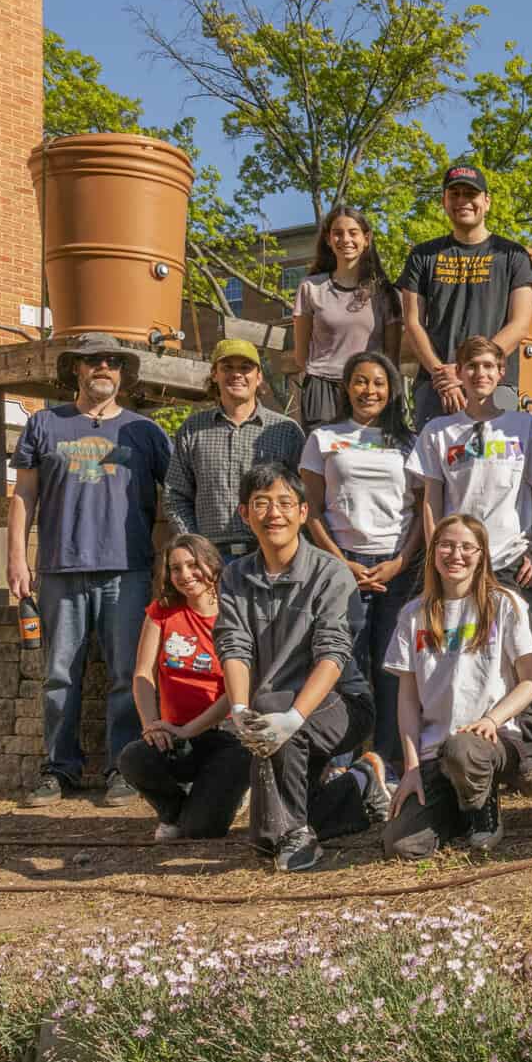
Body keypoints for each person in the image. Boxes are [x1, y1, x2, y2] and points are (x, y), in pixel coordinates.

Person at [9, 333, 171, 808]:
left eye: (112, 361)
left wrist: (171, 566)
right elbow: (23, 496)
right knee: (60, 674)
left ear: (122, 373)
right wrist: (17, 558)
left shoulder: (146, 432)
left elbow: (173, 497)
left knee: (127, 673)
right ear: (76, 370)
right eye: (93, 361)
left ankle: (124, 766)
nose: (104, 367)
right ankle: (58, 768)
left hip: (129, 569)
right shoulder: (44, 423)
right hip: (60, 567)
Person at [217, 462, 389, 872]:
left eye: (283, 503)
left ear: (302, 512)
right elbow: (234, 644)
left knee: (275, 710)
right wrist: (239, 710)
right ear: (245, 514)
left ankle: (297, 836)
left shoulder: (330, 574)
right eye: (261, 504)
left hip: (342, 704)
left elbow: (334, 653)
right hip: (270, 707)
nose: (273, 513)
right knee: (262, 840)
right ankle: (361, 786)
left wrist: (293, 716)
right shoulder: (236, 576)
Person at [410, 335, 532, 792]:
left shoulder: (524, 428)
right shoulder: (439, 432)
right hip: (458, 561)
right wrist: (437, 554)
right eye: (471, 366)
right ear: (459, 371)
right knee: (464, 653)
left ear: (501, 373)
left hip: (511, 557)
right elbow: (431, 497)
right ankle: (462, 750)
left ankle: (528, 761)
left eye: (489, 366)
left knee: (521, 661)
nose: (480, 375)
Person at [381, 515, 532, 857]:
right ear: (433, 552)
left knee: (463, 750)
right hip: (434, 752)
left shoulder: (504, 604)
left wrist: (493, 720)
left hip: (491, 740)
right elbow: (407, 700)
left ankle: (483, 812)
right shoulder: (413, 615)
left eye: (467, 547)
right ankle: (458, 810)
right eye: (446, 545)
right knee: (402, 846)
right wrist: (411, 767)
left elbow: (531, 681)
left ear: (482, 555)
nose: (456, 554)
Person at [298, 350, 422, 772]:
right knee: (343, 666)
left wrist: (402, 560)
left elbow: (423, 508)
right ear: (346, 388)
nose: (370, 390)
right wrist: (339, 563)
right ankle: (341, 758)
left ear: (392, 391)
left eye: (379, 383)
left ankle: (384, 762)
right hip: (341, 565)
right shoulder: (323, 438)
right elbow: (310, 509)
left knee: (391, 668)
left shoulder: (409, 441)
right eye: (361, 381)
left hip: (395, 566)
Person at [115, 533, 250, 839]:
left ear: (212, 564)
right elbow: (143, 674)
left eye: (193, 564)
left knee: (202, 830)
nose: (185, 575)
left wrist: (191, 730)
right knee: (133, 758)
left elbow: (236, 691)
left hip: (227, 737)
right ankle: (173, 811)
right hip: (175, 733)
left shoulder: (235, 613)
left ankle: (223, 796)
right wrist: (152, 725)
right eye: (175, 568)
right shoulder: (162, 611)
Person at [396, 159, 532, 425]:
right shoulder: (423, 255)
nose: (462, 200)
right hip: (438, 386)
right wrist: (444, 375)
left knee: (502, 463)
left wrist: (472, 369)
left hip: (499, 386)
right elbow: (413, 322)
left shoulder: (513, 255)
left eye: (471, 194)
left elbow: (520, 324)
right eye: (455, 194)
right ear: (444, 201)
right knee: (434, 465)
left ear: (487, 201)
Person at [164, 338, 304, 559]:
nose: (236, 374)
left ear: (258, 377)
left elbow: (303, 496)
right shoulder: (192, 430)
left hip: (270, 551)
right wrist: (195, 547)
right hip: (212, 555)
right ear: (214, 374)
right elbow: (175, 496)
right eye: (227, 367)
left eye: (245, 368)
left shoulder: (285, 430)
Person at [291, 204, 402, 431]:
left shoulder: (385, 293)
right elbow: (301, 355)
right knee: (323, 460)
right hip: (322, 389)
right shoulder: (311, 288)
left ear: (366, 238)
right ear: (328, 240)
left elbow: (391, 359)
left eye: (353, 233)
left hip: (367, 389)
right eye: (338, 233)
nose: (345, 239)